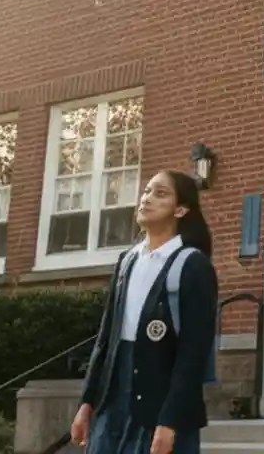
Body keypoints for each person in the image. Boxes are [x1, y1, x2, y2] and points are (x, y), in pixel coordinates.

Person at [70, 170, 219, 454]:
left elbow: (193, 353)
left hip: (159, 408)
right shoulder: (127, 262)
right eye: (147, 191)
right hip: (112, 404)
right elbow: (105, 340)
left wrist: (170, 422)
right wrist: (87, 403)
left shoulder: (192, 265)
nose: (147, 198)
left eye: (160, 193)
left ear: (181, 209)